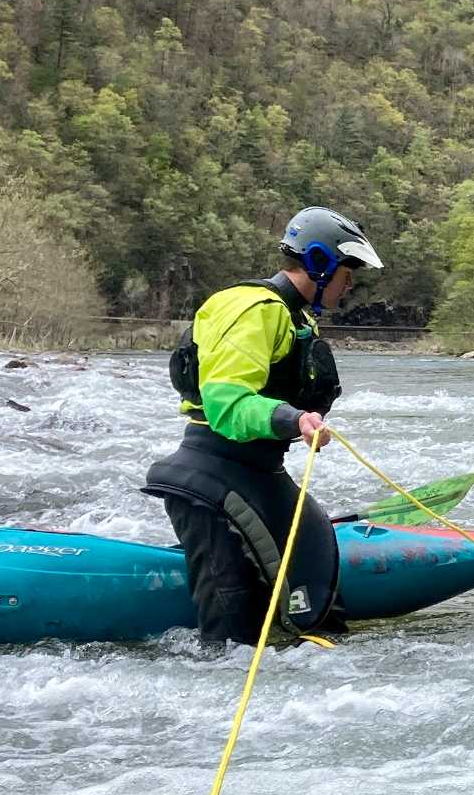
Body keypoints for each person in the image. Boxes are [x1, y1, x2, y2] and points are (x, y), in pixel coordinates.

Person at [142, 205, 382, 643]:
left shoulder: (294, 317)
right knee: (233, 638)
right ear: (320, 262)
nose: (351, 283)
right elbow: (227, 404)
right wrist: (294, 419)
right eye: (349, 270)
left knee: (322, 602)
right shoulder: (253, 307)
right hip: (211, 478)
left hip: (258, 474)